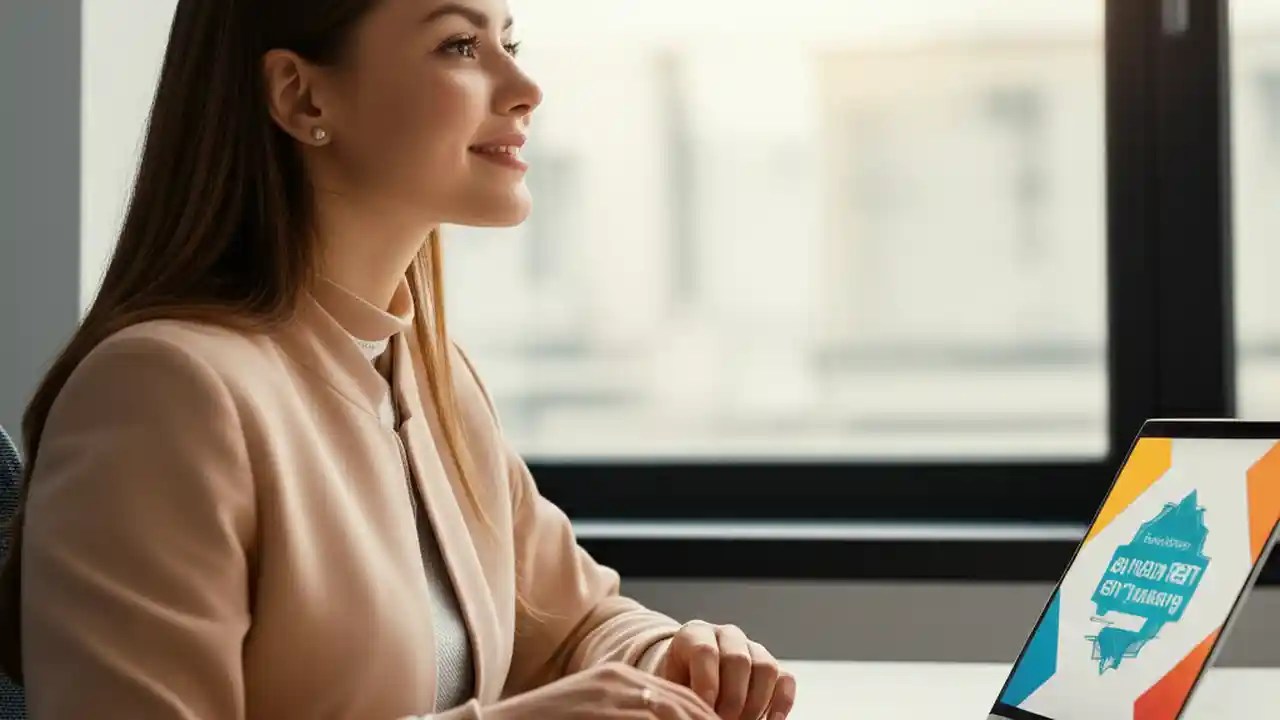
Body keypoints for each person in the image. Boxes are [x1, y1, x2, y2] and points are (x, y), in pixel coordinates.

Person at [0, 1, 798, 719]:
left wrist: (672, 660)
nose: (525, 86)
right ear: (303, 97)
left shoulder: (429, 376)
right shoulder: (160, 395)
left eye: (508, 40)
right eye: (459, 45)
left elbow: (575, 623)